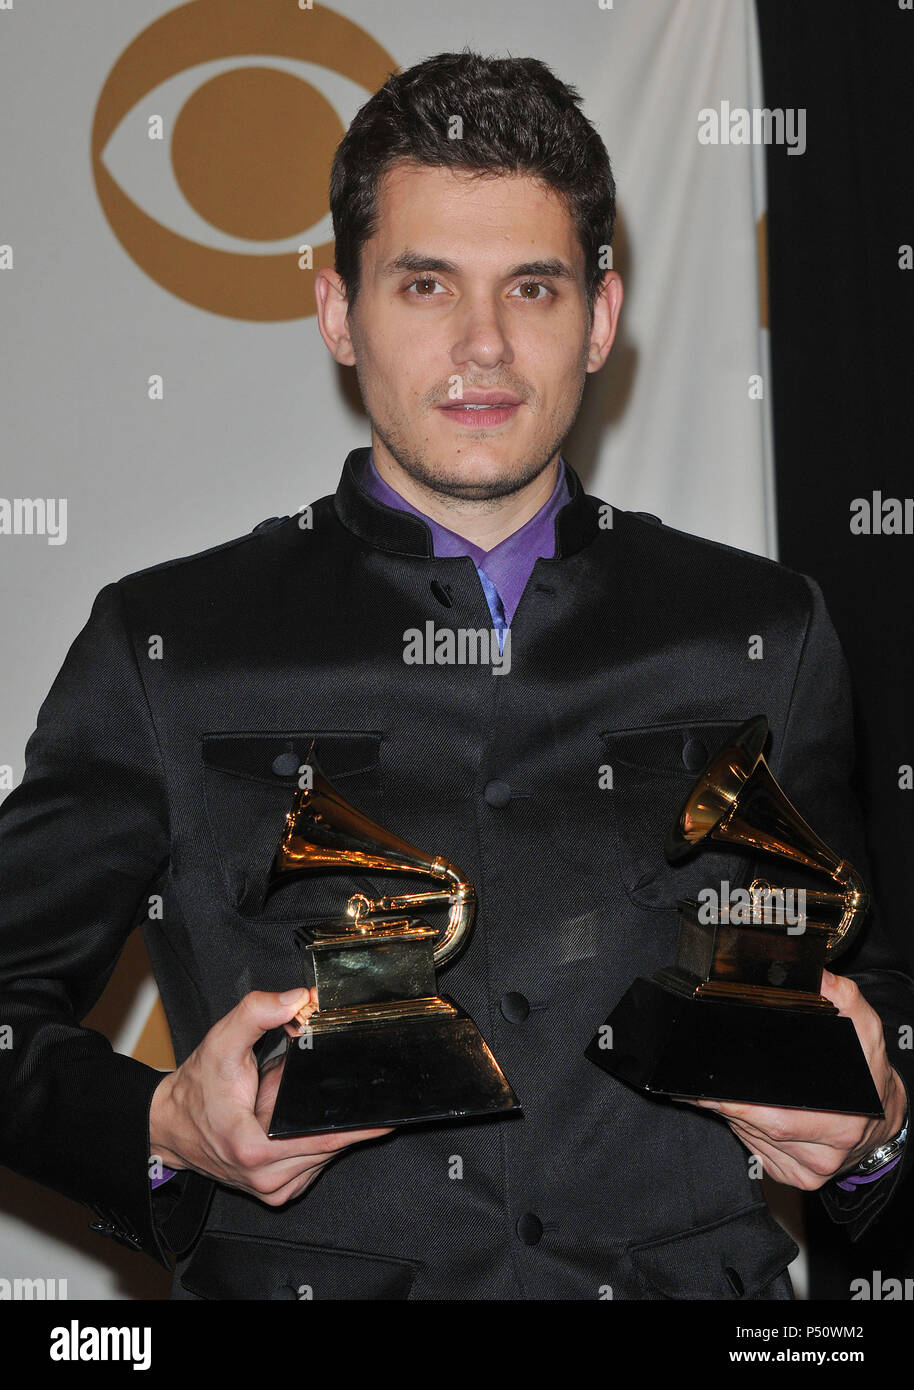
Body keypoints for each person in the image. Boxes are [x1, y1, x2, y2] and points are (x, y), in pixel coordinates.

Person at [0, 51, 910, 1302]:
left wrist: (877, 1133)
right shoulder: (171, 644)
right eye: (425, 284)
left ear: (597, 318)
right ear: (337, 310)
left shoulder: (762, 627)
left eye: (530, 287)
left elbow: (877, 988)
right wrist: (162, 1127)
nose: (481, 345)